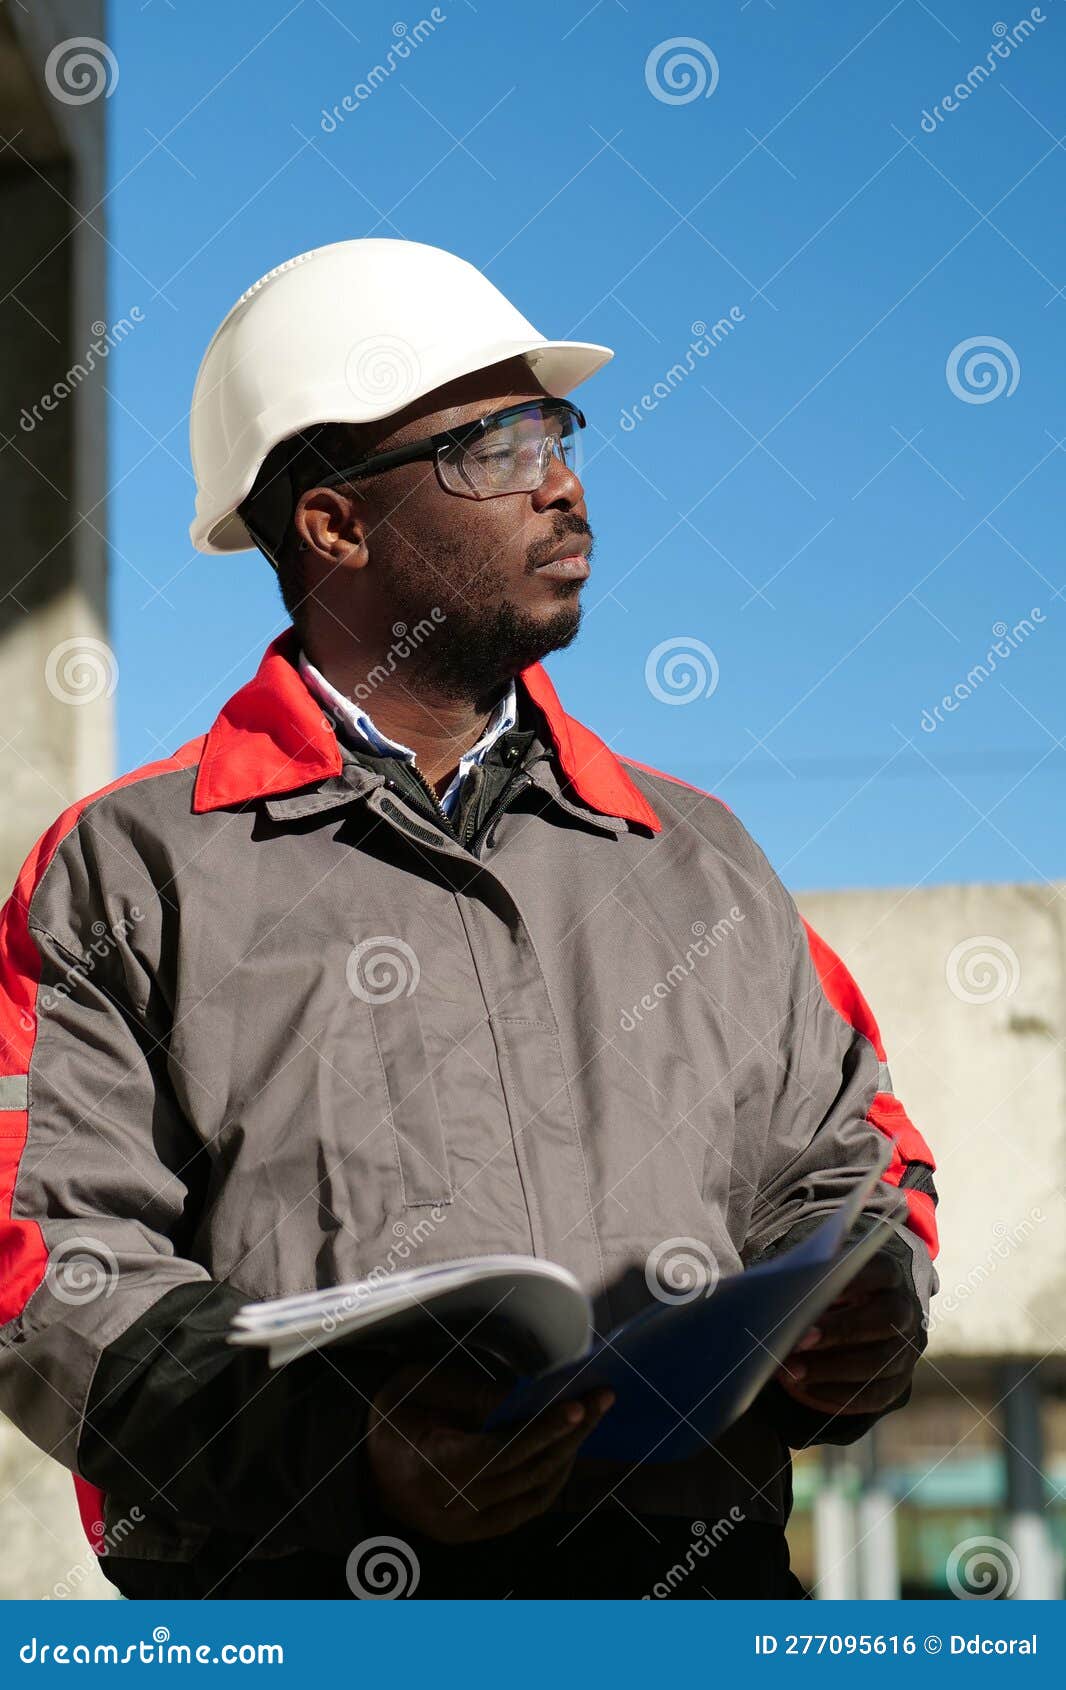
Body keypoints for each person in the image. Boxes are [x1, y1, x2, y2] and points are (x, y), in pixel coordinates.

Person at [0, 239, 937, 1600]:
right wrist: (349, 1455)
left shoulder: (696, 855)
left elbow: (859, 1162)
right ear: (333, 524)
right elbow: (46, 1266)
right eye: (489, 445)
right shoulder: (129, 870)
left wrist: (867, 1318)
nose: (557, 480)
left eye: (550, 429)